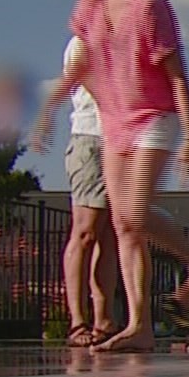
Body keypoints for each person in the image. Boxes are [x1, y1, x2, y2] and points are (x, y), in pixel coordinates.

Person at [30, 0, 189, 353]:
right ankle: (140, 326)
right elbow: (82, 65)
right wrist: (49, 111)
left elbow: (176, 74)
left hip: (155, 117)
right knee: (125, 227)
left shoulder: (149, 2)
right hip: (112, 124)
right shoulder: (89, 3)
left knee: (130, 214)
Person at [56, 37, 119, 347]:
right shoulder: (83, 40)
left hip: (120, 141)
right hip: (91, 137)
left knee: (110, 234)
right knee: (85, 232)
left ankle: (104, 320)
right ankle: (77, 321)